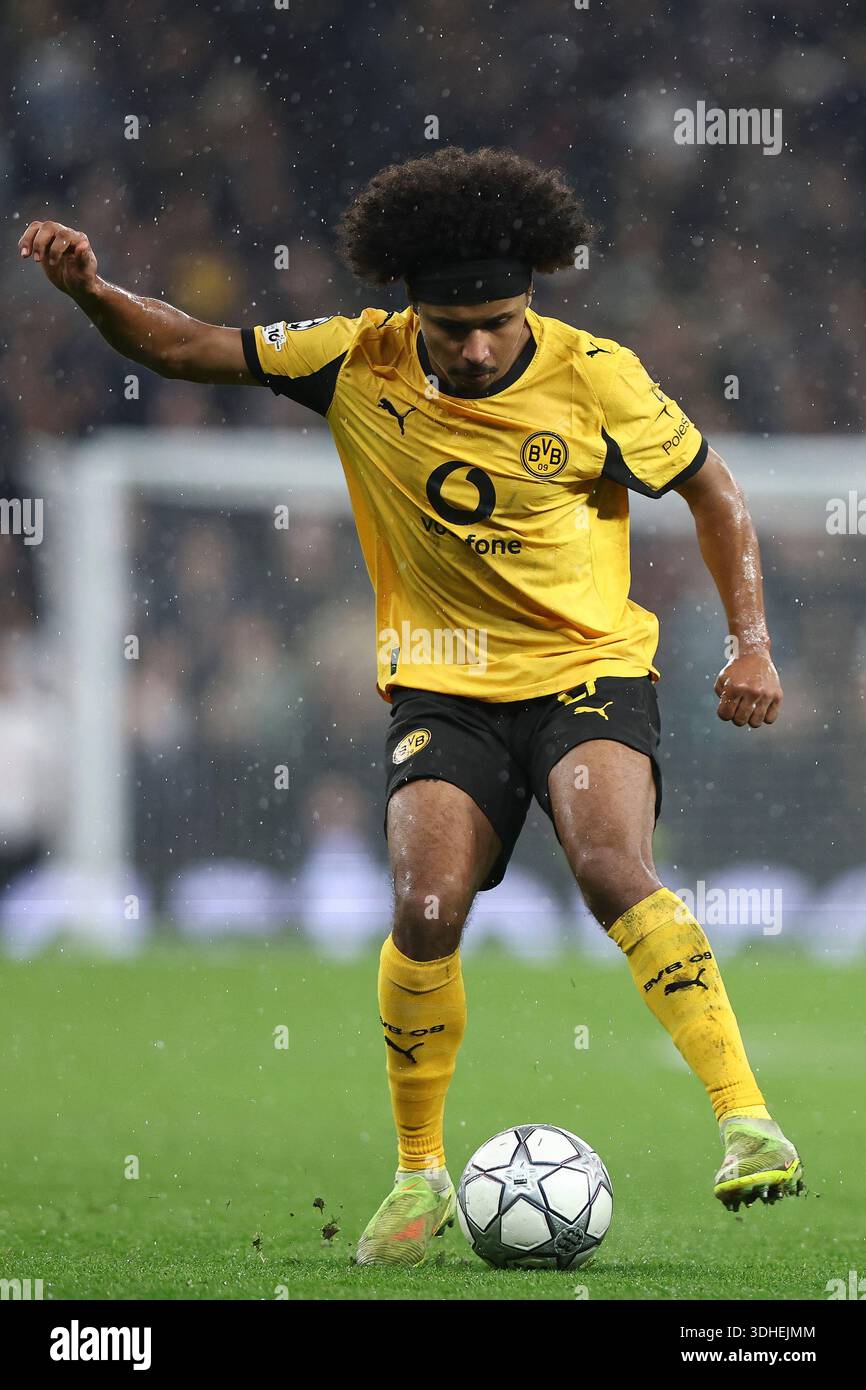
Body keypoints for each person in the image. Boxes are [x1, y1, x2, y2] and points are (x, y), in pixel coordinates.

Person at [19, 145, 803, 1269]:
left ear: (527, 300)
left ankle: (743, 1120)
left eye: (495, 323)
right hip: (442, 682)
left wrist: (751, 644)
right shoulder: (354, 358)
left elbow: (712, 492)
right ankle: (418, 1175)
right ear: (411, 312)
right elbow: (187, 344)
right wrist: (95, 294)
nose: (476, 346)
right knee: (424, 908)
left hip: (585, 668)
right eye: (451, 328)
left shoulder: (597, 375)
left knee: (607, 863)